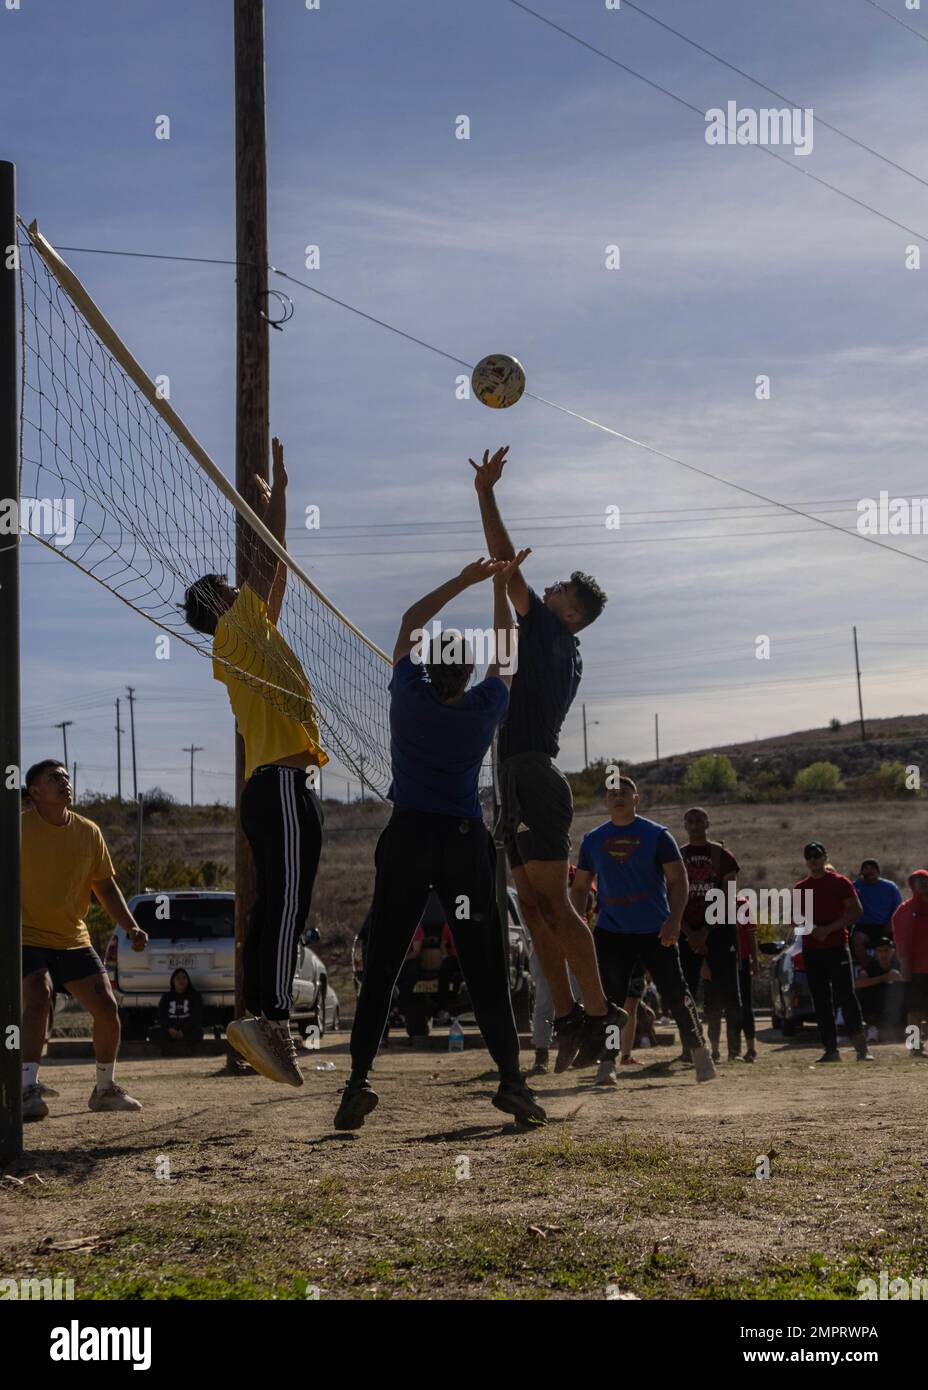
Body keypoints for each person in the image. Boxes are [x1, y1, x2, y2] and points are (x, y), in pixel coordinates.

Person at [335, 552, 546, 1131]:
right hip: (459, 840)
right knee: (484, 962)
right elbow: (507, 654)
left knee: (383, 963)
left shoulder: (408, 693)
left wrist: (464, 580)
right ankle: (511, 1081)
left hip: (407, 836)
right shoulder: (483, 707)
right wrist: (501, 589)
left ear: (428, 666)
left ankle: (357, 1082)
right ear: (467, 672)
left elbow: (410, 621)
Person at [182, 439, 327, 1088]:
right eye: (227, 584)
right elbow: (269, 564)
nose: (238, 584)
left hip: (283, 786)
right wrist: (271, 504)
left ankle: (266, 1019)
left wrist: (282, 499)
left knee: (283, 904)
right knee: (286, 903)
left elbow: (278, 570)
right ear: (218, 602)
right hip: (279, 785)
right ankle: (268, 1017)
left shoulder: (247, 631)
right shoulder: (233, 628)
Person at [471, 445, 621, 1072]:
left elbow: (507, 571)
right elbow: (506, 609)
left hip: (534, 772)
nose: (549, 584)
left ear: (570, 612)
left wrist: (485, 493)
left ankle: (599, 1013)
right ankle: (566, 1018)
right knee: (532, 909)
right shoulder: (549, 641)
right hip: (513, 777)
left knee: (555, 906)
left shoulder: (556, 635)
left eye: (557, 587)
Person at [20, 760, 148, 1120]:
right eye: (54, 778)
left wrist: (131, 926)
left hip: (72, 938)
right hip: (26, 935)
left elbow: (105, 887)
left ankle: (104, 1089)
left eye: (65, 776)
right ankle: (27, 1088)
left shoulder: (89, 832)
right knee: (38, 991)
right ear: (35, 792)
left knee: (107, 1008)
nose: (64, 782)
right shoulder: (18, 828)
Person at [568, 777, 717, 1085]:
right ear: (605, 802)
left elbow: (679, 880)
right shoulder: (593, 839)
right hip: (612, 933)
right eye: (611, 793)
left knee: (676, 994)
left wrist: (675, 919)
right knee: (610, 1001)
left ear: (636, 798)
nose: (618, 797)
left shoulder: (657, 835)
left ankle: (700, 1053)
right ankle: (607, 1064)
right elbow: (581, 886)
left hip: (656, 929)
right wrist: (576, 920)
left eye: (624, 793)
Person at [795, 841, 873, 1063]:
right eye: (809, 855)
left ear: (824, 856)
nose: (813, 859)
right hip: (812, 951)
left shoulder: (839, 882)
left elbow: (856, 911)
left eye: (817, 855)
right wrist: (814, 930)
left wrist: (828, 929)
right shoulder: (801, 888)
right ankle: (830, 1049)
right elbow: (795, 920)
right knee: (821, 1000)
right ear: (805, 860)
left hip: (837, 948)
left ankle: (862, 1049)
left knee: (847, 997)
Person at [678, 808, 741, 1063]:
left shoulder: (722, 855)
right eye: (689, 819)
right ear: (684, 825)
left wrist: (705, 931)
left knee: (730, 993)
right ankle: (690, 1049)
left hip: (720, 932)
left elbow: (729, 896)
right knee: (684, 994)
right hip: (685, 932)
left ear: (707, 823)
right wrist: (688, 932)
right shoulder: (677, 856)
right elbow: (669, 897)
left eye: (698, 818)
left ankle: (734, 1051)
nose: (694, 823)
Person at [892, 870, 928, 1055]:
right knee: (914, 1011)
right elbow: (901, 939)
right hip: (915, 969)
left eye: (925, 880)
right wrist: (904, 963)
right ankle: (914, 1046)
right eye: (917, 881)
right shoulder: (905, 910)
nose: (922, 884)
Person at [853, 937, 905, 1042]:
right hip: (876, 1007)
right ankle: (873, 1028)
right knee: (861, 992)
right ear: (876, 953)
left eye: (886, 950)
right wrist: (884, 978)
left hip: (897, 1008)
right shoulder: (870, 966)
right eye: (880, 951)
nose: (883, 954)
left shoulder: (900, 965)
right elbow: (857, 984)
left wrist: (900, 978)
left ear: (893, 951)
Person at [852, 859, 902, 953]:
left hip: (885, 925)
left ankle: (895, 965)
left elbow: (898, 908)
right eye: (866, 869)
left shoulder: (890, 887)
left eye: (872, 868)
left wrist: (891, 923)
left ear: (878, 871)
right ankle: (868, 965)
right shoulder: (856, 886)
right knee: (857, 940)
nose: (869, 871)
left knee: (899, 940)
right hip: (864, 927)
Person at [155, 969, 204, 1055]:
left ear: (188, 980)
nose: (181, 981)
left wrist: (183, 1031)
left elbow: (197, 1017)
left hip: (187, 1030)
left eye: (184, 978)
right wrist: (169, 1029)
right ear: (173, 981)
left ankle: (186, 1051)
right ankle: (168, 1051)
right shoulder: (166, 997)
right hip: (170, 1030)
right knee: (153, 1032)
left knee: (198, 1033)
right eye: (178, 978)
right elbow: (161, 1016)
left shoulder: (195, 996)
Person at [734, 895, 759, 1062]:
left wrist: (754, 960)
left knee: (745, 1006)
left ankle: (751, 1048)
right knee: (728, 1007)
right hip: (721, 961)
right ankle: (733, 1049)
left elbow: (751, 935)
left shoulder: (741, 903)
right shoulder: (712, 901)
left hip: (741, 960)